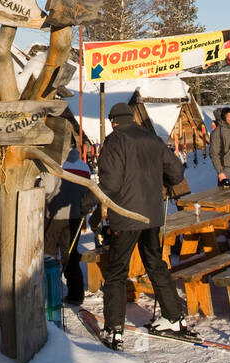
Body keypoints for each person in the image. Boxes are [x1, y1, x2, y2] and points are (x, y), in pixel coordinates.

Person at [96, 101, 191, 349]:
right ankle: (173, 318)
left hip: (125, 216)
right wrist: (166, 181)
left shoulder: (114, 141)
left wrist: (88, 205)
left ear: (113, 121)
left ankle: (114, 330)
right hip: (152, 215)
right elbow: (177, 173)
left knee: (117, 272)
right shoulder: (152, 139)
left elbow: (110, 185)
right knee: (155, 264)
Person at [43, 147, 97, 304]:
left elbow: (48, 188)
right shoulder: (85, 167)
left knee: (49, 253)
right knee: (70, 254)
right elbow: (90, 190)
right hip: (75, 216)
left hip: (55, 215)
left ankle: (49, 291)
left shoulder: (57, 166)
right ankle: (76, 293)